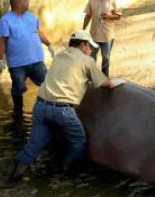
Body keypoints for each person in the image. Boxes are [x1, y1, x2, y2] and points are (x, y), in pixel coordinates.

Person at [9, 30, 124, 182]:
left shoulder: (59, 56)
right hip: (62, 110)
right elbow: (106, 83)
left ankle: (13, 179)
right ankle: (64, 174)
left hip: (40, 106)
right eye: (90, 47)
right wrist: (119, 81)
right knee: (78, 141)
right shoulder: (86, 61)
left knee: (33, 145)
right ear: (83, 45)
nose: (91, 51)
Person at [0, 0, 56, 123]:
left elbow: (39, 32)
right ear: (18, 3)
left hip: (36, 60)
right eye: (25, 1)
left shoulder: (32, 17)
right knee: (18, 88)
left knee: (47, 83)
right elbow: (3, 41)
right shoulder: (6, 20)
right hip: (17, 64)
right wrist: (0, 59)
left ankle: (51, 109)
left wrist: (49, 44)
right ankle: (18, 112)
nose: (27, 3)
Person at [82, 0, 121, 76]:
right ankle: (92, 78)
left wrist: (109, 16)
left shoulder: (113, 0)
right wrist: (83, 29)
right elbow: (88, 15)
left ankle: (104, 78)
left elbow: (118, 16)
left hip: (107, 36)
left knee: (106, 58)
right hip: (94, 35)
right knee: (91, 58)